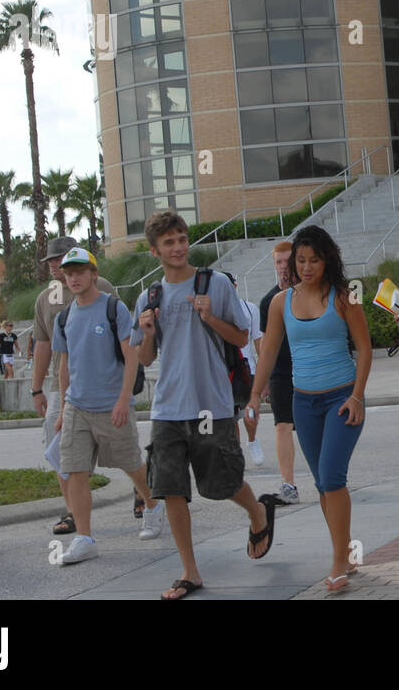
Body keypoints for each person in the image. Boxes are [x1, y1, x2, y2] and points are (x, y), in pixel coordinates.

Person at [130, 211, 273, 600]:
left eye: (181, 239)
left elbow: (242, 335)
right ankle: (190, 572)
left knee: (221, 482)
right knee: (171, 488)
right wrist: (145, 333)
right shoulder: (149, 297)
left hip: (211, 403)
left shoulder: (215, 283)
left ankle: (257, 511)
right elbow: (144, 359)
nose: (178, 247)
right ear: (154, 250)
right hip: (167, 408)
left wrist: (209, 317)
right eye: (169, 243)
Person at [249, 226, 371, 592]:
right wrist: (255, 396)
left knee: (332, 477)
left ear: (327, 259)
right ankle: (346, 552)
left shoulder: (345, 296)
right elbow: (268, 351)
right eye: (300, 260)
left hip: (341, 399)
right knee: (322, 484)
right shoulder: (279, 302)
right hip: (304, 402)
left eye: (313, 260)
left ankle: (339, 562)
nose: (305, 266)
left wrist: (358, 396)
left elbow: (364, 349)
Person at [51, 247, 163, 563]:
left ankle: (153, 505)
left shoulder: (114, 309)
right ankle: (84, 538)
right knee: (74, 470)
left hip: (111, 404)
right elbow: (64, 366)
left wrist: (124, 399)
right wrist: (61, 410)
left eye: (80, 271)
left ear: (93, 274)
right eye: (68, 273)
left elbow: (131, 356)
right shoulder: (64, 317)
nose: (73, 278)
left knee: (131, 465)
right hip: (76, 406)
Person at [31, 235, 118, 533]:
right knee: (59, 449)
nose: (55, 266)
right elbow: (41, 345)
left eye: (60, 259)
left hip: (102, 381)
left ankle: (142, 492)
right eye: (51, 261)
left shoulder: (102, 287)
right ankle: (72, 512)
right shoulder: (46, 298)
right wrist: (36, 388)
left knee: (119, 444)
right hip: (61, 387)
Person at [258, 241, 299, 504]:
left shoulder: (309, 294)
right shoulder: (268, 301)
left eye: (288, 261)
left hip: (309, 369)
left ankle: (328, 479)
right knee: (282, 426)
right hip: (281, 373)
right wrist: (262, 382)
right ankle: (289, 485)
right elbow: (265, 343)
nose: (284, 267)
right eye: (279, 262)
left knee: (309, 429)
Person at [228, 272, 265, 467]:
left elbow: (259, 342)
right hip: (225, 373)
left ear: (235, 286)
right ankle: (236, 451)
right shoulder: (215, 313)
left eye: (230, 286)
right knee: (231, 416)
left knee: (250, 413)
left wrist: (263, 374)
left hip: (247, 370)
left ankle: (252, 441)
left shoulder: (250, 309)